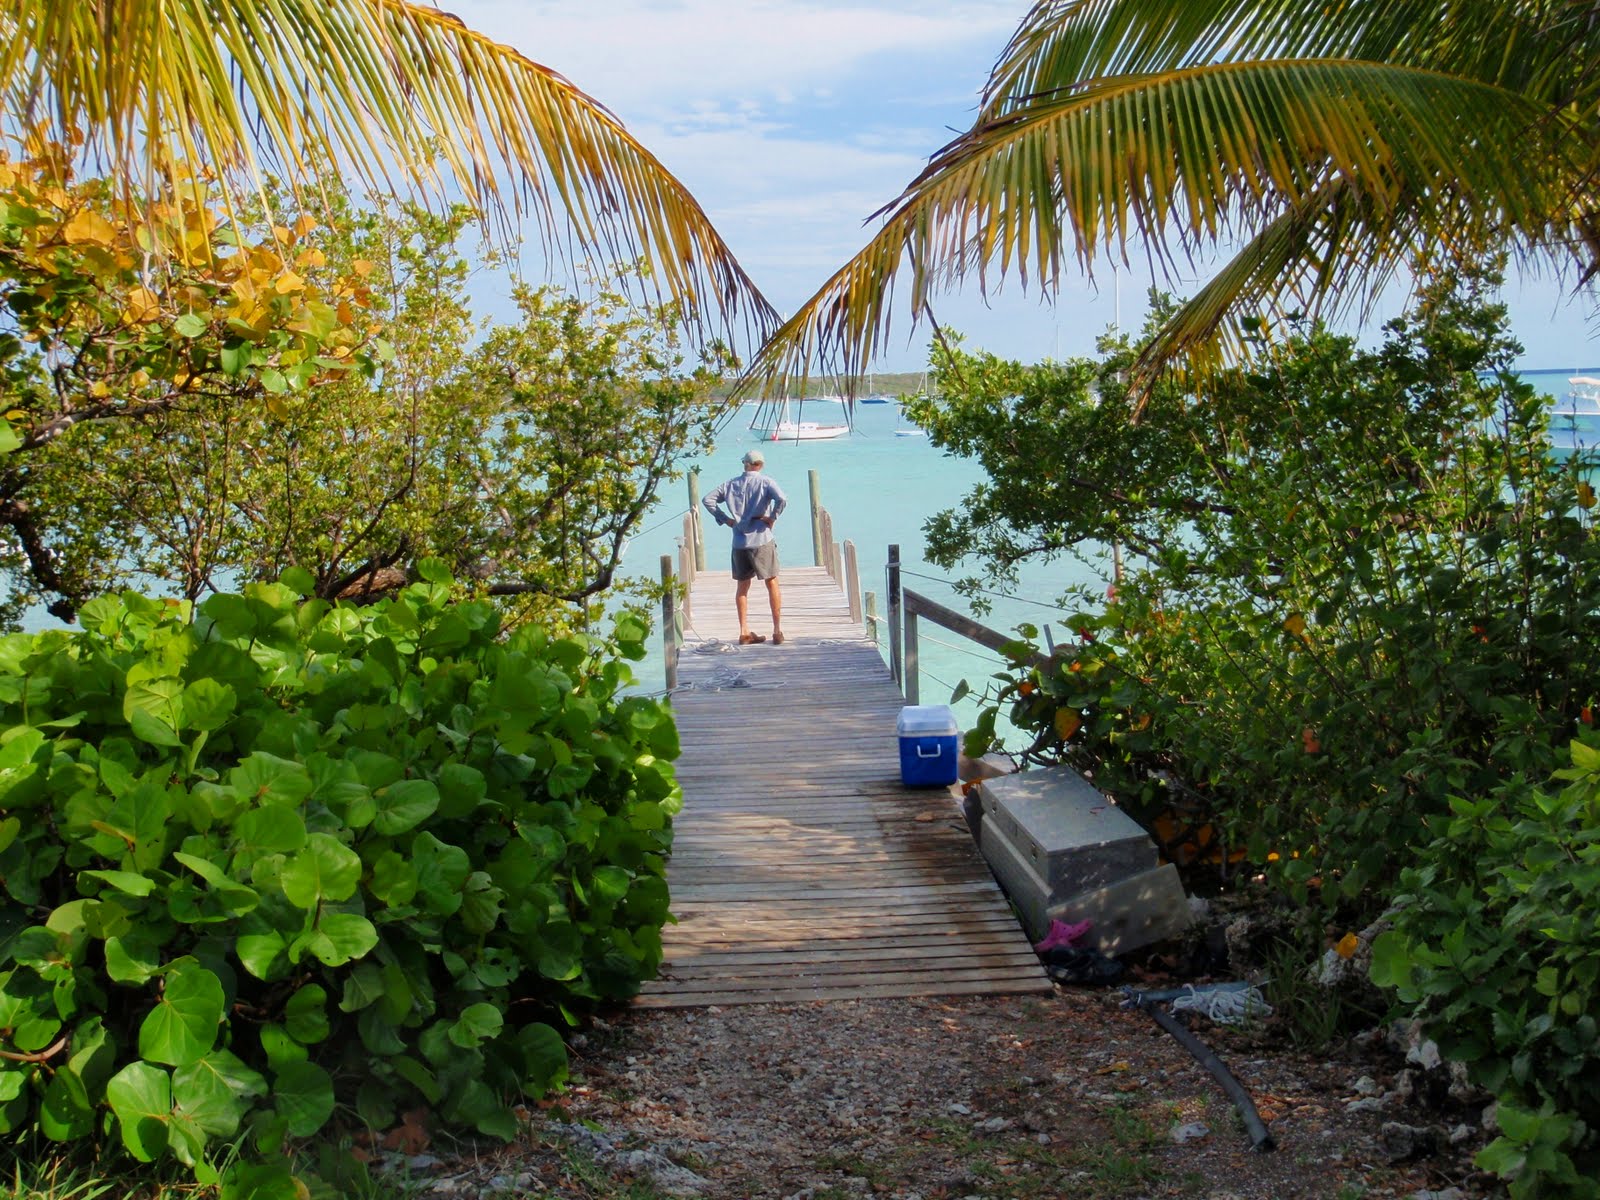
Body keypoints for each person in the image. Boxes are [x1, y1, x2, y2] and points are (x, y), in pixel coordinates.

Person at [702, 447, 787, 644]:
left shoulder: (730, 484)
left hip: (739, 541)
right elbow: (782, 499)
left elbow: (708, 500)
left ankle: (744, 632)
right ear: (761, 465)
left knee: (742, 586)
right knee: (772, 581)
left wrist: (726, 519)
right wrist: (772, 518)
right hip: (762, 539)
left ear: (745, 464)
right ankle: (777, 631)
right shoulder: (766, 482)